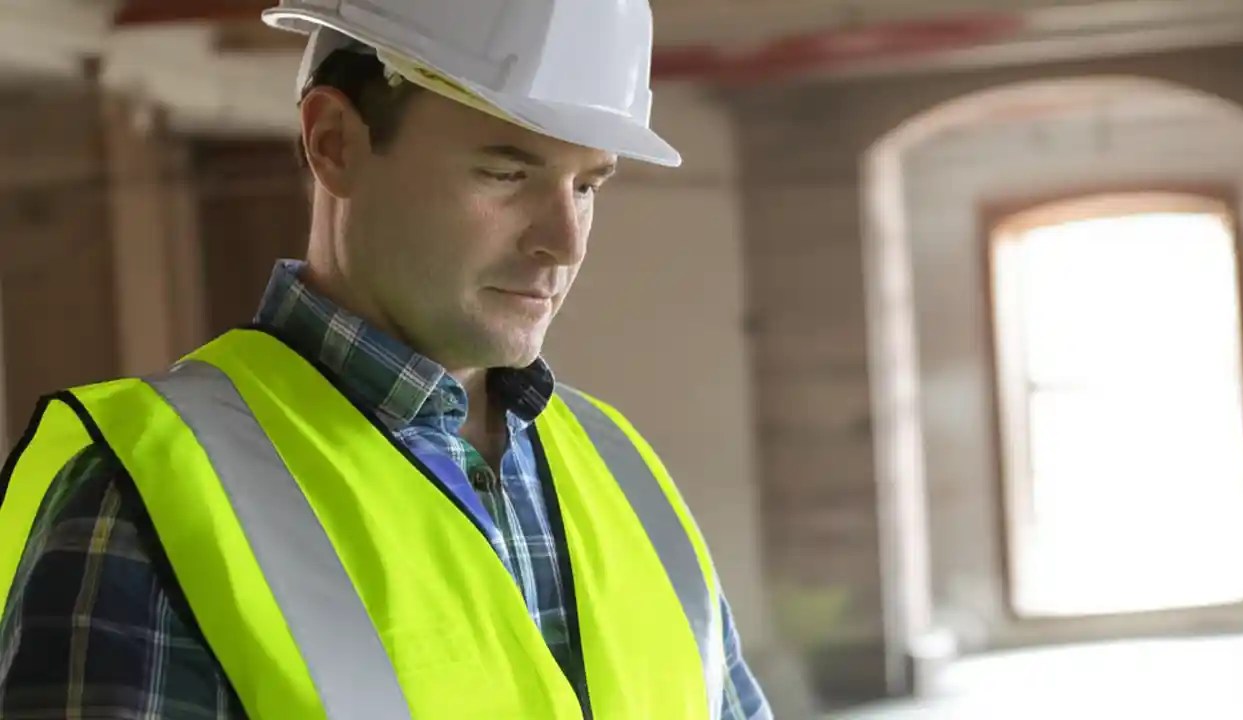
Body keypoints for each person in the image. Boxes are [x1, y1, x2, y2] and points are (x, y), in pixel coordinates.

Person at [0, 1, 773, 718]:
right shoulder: (146, 494)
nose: (563, 243)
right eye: (506, 173)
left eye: (588, 184)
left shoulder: (622, 472)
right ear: (333, 143)